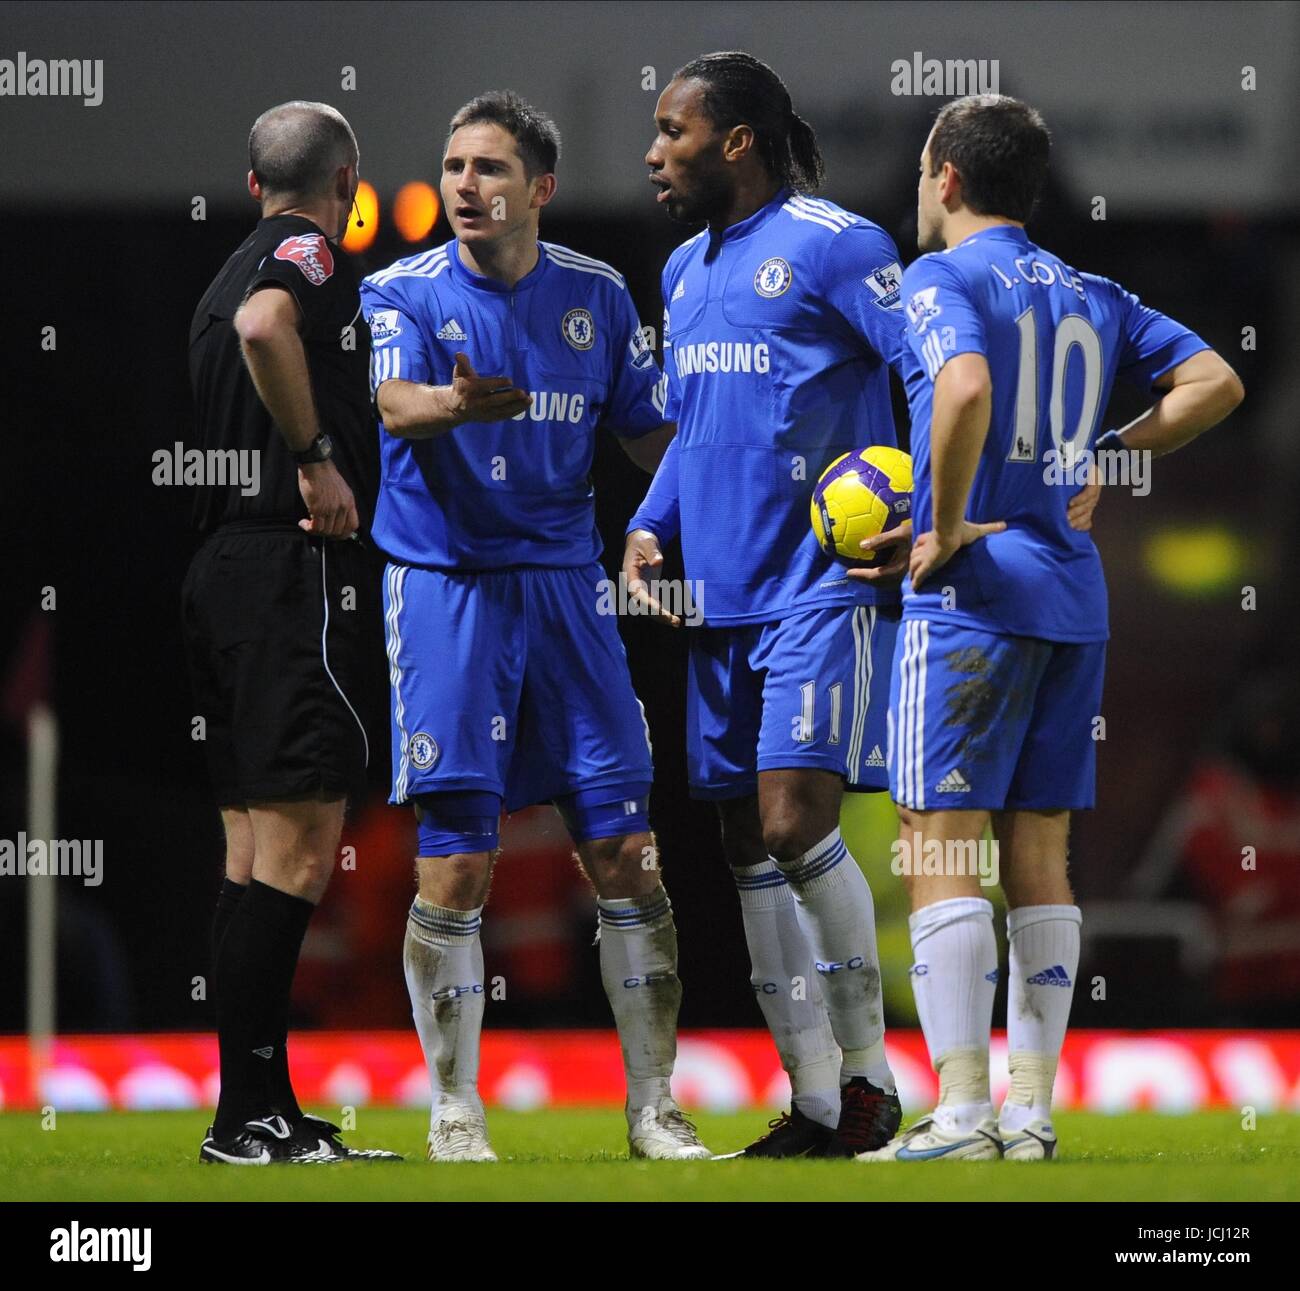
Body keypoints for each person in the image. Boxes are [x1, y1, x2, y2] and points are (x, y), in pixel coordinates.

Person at [858, 93, 1244, 1162]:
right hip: (1073, 600)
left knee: (937, 842)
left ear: (943, 180)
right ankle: (1029, 1112)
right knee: (1040, 855)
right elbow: (1216, 380)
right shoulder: (1090, 291)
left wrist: (937, 528)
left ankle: (961, 1111)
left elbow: (966, 384)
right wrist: (1109, 453)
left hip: (974, 594)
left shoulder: (936, 278)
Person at [360, 91, 707, 1162]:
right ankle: (455, 1104)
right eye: (455, 165)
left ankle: (654, 1107)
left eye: (490, 168)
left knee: (627, 852)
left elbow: (653, 437)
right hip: (448, 586)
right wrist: (456, 406)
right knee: (456, 865)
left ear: (539, 190)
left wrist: (730, 478)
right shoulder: (400, 288)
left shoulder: (595, 297)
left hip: (568, 594)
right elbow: (394, 405)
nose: (466, 184)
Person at [625, 51, 915, 1158]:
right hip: (718, 606)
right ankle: (808, 1098)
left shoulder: (842, 246)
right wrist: (651, 520)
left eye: (674, 131)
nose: (654, 153)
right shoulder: (684, 271)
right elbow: (696, 429)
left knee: (795, 821)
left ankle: (872, 1085)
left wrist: (920, 504)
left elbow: (930, 371)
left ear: (736, 140)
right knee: (744, 841)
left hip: (816, 591)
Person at [183, 101, 398, 1162]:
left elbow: (261, 337)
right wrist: (316, 458)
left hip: (222, 571)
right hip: (288, 572)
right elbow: (273, 328)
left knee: (250, 854)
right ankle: (248, 1112)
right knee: (304, 850)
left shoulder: (220, 274)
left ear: (251, 174)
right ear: (346, 182)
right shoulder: (305, 250)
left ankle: (253, 1110)